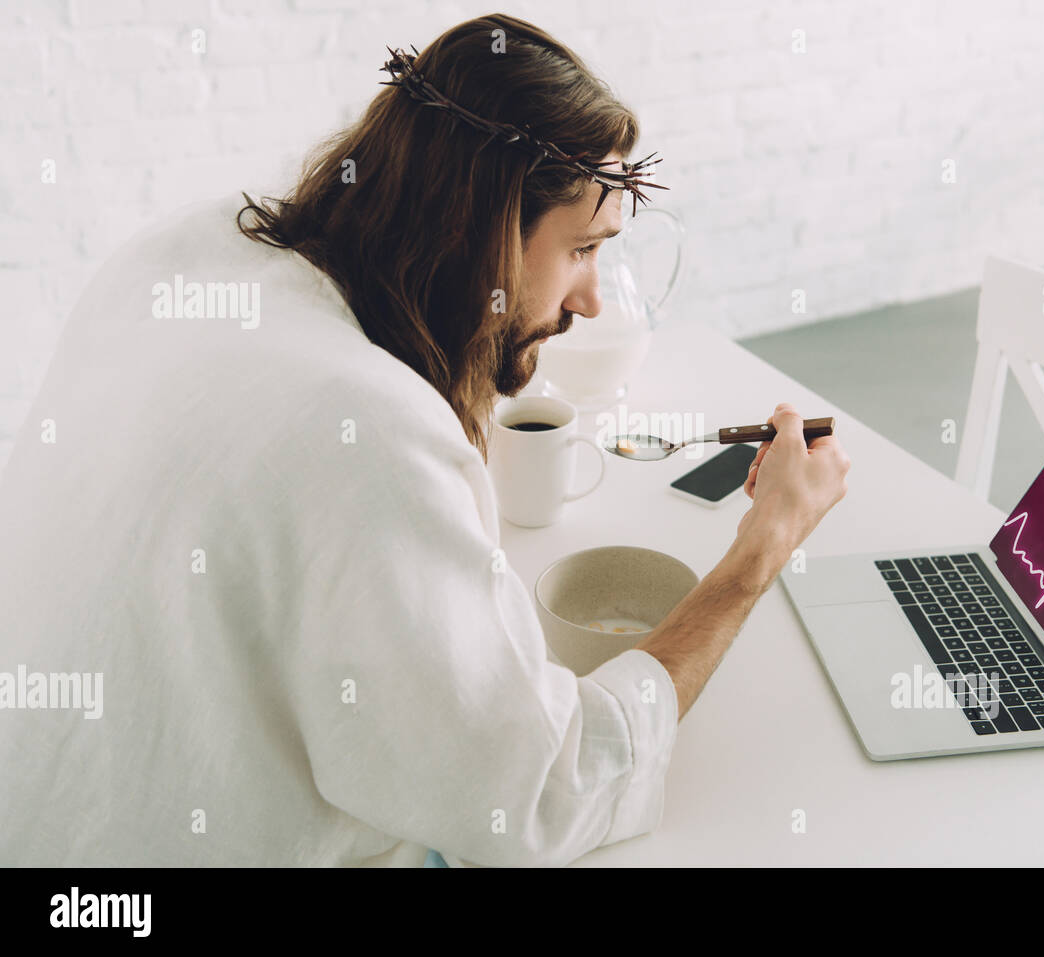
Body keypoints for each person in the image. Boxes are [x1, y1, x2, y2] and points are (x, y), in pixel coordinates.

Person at [0, 14, 848, 867]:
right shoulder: (366, 431)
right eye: (582, 250)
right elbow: (536, 795)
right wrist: (760, 550)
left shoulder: (184, 253)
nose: (592, 300)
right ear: (484, 235)